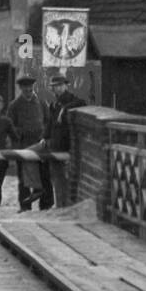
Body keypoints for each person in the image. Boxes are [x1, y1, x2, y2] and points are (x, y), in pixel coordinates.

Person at [41, 74, 85, 209]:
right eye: (55, 87)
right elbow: (50, 123)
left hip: (67, 147)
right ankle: (60, 205)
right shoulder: (54, 105)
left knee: (66, 179)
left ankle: (65, 206)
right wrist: (45, 137)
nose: (58, 89)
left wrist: (65, 109)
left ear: (66, 86)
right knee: (57, 178)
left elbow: (82, 103)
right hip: (55, 145)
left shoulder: (71, 100)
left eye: (60, 86)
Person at [7, 75, 49, 211]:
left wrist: (44, 135)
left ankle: (45, 206)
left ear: (33, 88)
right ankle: (25, 207)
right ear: (21, 89)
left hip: (40, 145)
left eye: (30, 88)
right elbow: (10, 126)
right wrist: (21, 132)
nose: (28, 91)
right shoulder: (14, 105)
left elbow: (48, 121)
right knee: (23, 179)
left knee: (43, 176)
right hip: (23, 146)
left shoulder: (41, 103)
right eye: (25, 88)